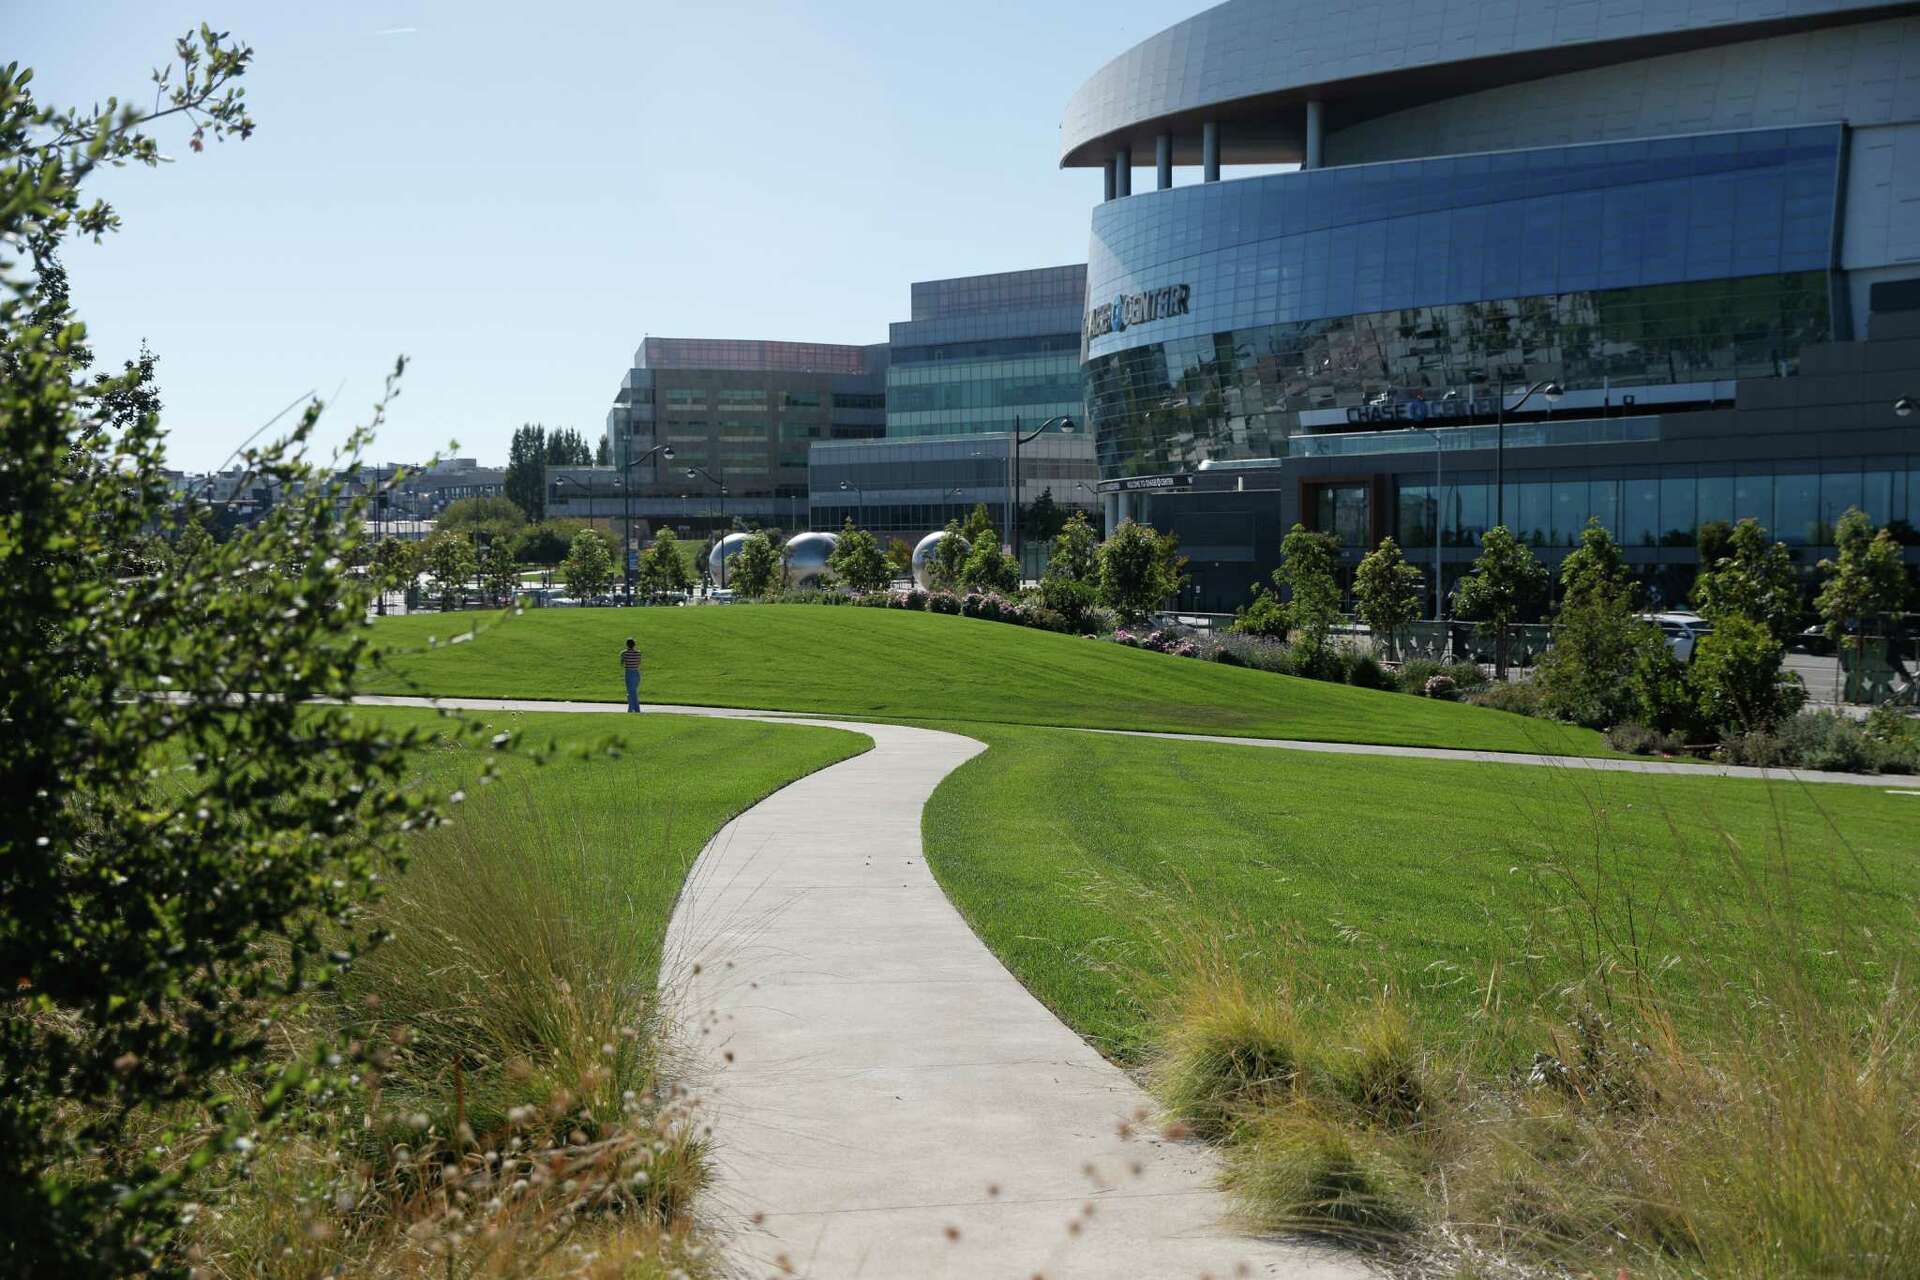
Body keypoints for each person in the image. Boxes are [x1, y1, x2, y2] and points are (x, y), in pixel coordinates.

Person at [621, 636, 643, 712]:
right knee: (633, 691)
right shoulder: (638, 653)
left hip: (629, 673)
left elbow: (622, 663)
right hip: (636, 673)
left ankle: (631, 709)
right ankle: (636, 708)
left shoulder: (624, 653)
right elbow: (639, 663)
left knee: (630, 692)